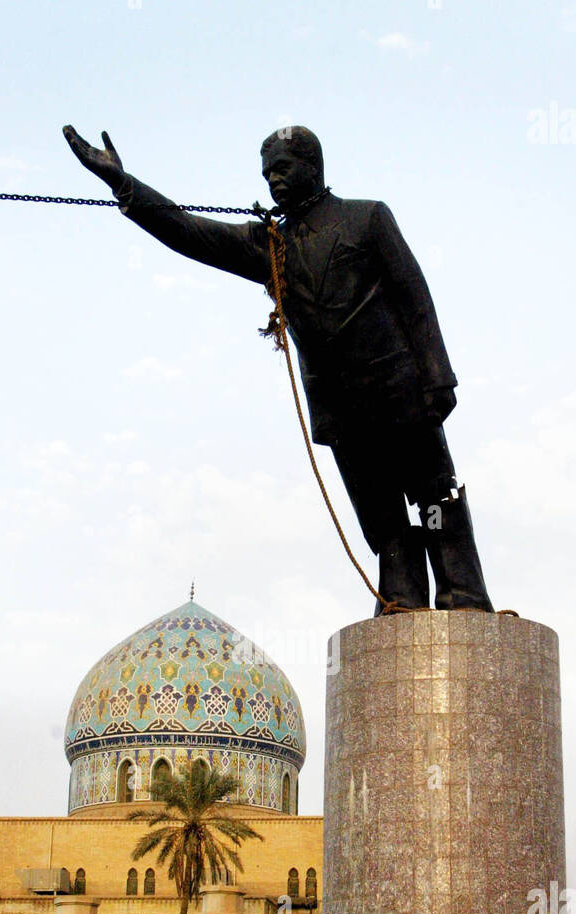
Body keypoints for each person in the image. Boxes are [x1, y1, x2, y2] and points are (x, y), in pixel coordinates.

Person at [63, 124, 493, 614]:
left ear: (314, 167)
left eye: (283, 170)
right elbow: (189, 231)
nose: (274, 182)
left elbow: (415, 296)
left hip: (400, 387)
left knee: (434, 494)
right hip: (340, 403)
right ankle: (402, 595)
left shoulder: (368, 217)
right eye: (267, 174)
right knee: (380, 512)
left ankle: (464, 592)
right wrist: (123, 184)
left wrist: (439, 374)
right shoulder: (270, 246)